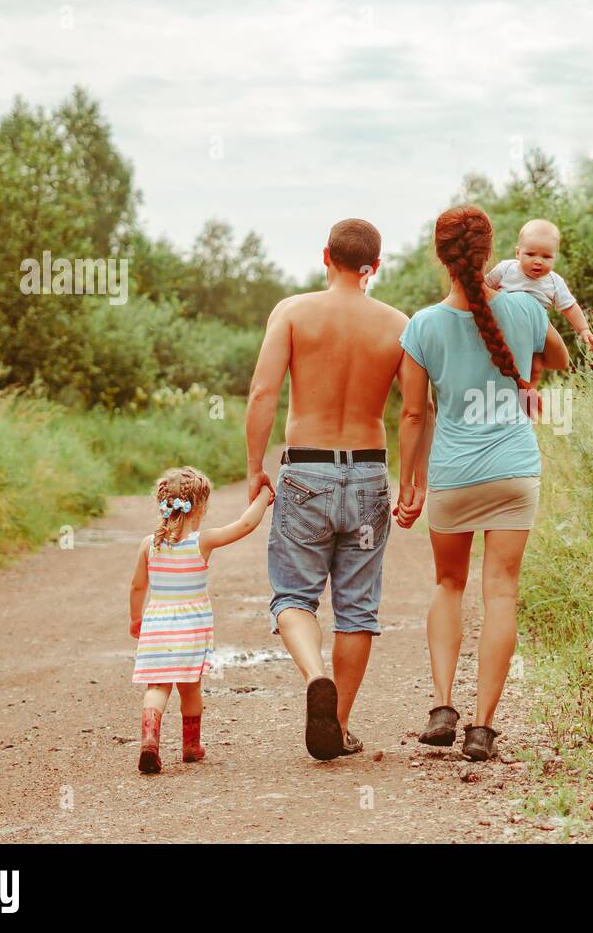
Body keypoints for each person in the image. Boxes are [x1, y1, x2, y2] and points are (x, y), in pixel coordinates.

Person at [245, 217, 430, 761]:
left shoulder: (294, 312)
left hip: (306, 471)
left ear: (326, 256)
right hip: (370, 476)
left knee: (293, 597)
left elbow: (263, 393)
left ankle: (314, 677)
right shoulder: (401, 324)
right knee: (356, 611)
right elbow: (416, 410)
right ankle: (339, 725)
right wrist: (414, 481)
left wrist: (256, 465)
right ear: (377, 264)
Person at [396, 205, 570, 761]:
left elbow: (415, 415)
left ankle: (443, 706)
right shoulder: (523, 307)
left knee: (449, 585)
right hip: (515, 472)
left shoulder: (422, 325)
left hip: (453, 476)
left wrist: (409, 483)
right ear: (493, 254)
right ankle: (481, 728)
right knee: (501, 593)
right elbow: (560, 359)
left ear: (440, 256)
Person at [129, 466, 272, 774]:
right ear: (202, 507)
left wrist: (135, 619)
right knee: (190, 689)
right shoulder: (201, 542)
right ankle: (191, 746)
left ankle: (150, 741)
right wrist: (264, 495)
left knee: (157, 686)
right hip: (190, 630)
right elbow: (245, 524)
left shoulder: (149, 545)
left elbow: (138, 586)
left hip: (157, 627)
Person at [484, 217, 593, 389]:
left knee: (535, 367)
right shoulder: (506, 269)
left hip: (533, 336)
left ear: (555, 258)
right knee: (496, 364)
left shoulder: (554, 282)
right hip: (502, 327)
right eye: (530, 254)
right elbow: (484, 287)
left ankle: (526, 399)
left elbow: (570, 307)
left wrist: (583, 329)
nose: (538, 261)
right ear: (518, 253)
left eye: (546, 256)